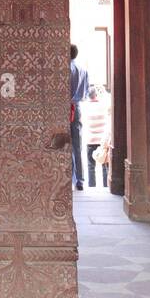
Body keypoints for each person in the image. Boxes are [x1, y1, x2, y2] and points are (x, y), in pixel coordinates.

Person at [69, 44, 88, 191]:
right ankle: (79, 181)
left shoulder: (65, 69)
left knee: (64, 145)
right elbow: (86, 92)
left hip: (66, 108)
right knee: (77, 146)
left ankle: (68, 178)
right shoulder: (83, 69)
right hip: (77, 108)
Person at [85, 83, 112, 189]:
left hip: (90, 140)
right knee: (104, 165)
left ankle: (92, 187)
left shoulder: (86, 107)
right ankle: (106, 186)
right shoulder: (102, 106)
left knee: (91, 166)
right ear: (96, 95)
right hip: (102, 141)